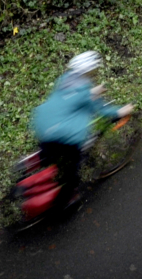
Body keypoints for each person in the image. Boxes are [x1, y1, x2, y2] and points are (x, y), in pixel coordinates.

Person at [29, 51, 134, 205]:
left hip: (42, 122)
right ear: (89, 71)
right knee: (72, 172)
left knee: (49, 153)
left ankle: (33, 166)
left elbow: (73, 96)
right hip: (60, 135)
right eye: (94, 71)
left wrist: (93, 91)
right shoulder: (86, 94)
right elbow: (102, 110)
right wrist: (122, 111)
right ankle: (63, 203)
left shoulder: (64, 79)